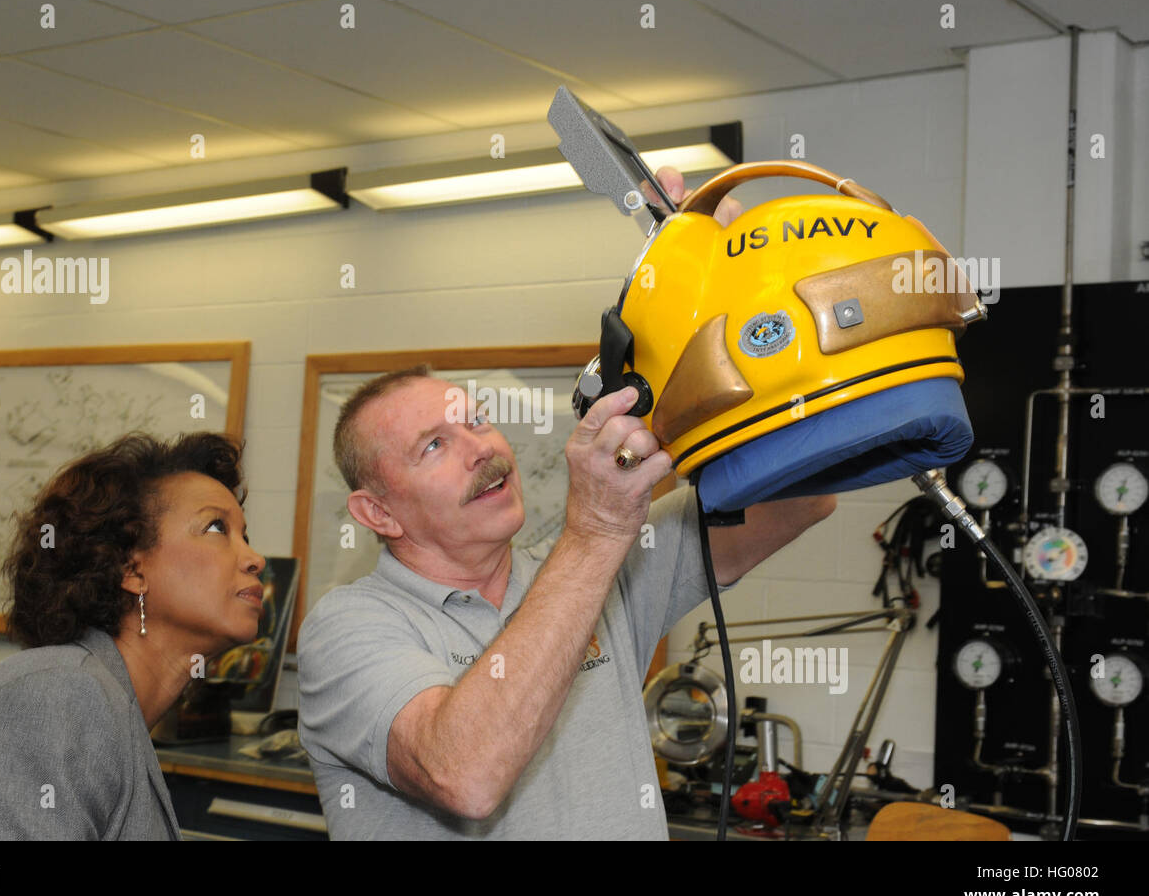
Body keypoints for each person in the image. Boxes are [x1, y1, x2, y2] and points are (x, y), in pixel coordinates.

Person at [298, 173, 839, 839]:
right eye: (435, 444)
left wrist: (753, 286)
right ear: (377, 513)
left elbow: (808, 495)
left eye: (478, 420)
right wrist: (598, 528)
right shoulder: (349, 626)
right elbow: (463, 773)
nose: (480, 448)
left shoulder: (601, 572)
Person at [0, 432, 265, 840]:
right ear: (131, 571)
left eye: (246, 536)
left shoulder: (109, 707)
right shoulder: (56, 696)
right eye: (216, 527)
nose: (254, 559)